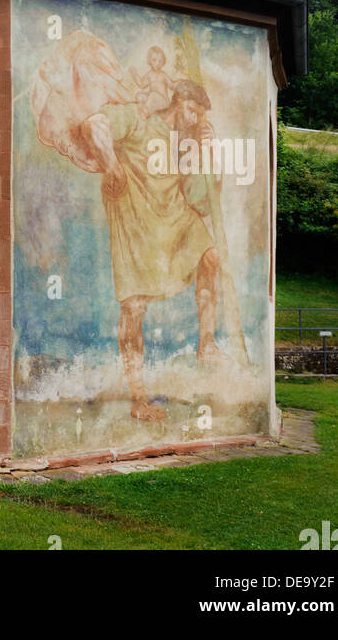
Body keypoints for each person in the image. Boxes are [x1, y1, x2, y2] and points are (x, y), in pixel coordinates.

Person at [77, 77, 225, 420]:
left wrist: (209, 152)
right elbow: (94, 124)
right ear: (177, 102)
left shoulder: (186, 141)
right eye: (191, 110)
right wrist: (112, 166)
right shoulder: (139, 118)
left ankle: (207, 344)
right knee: (134, 308)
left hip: (174, 216)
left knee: (211, 257)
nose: (193, 119)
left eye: (199, 115)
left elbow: (204, 201)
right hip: (135, 221)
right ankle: (139, 400)